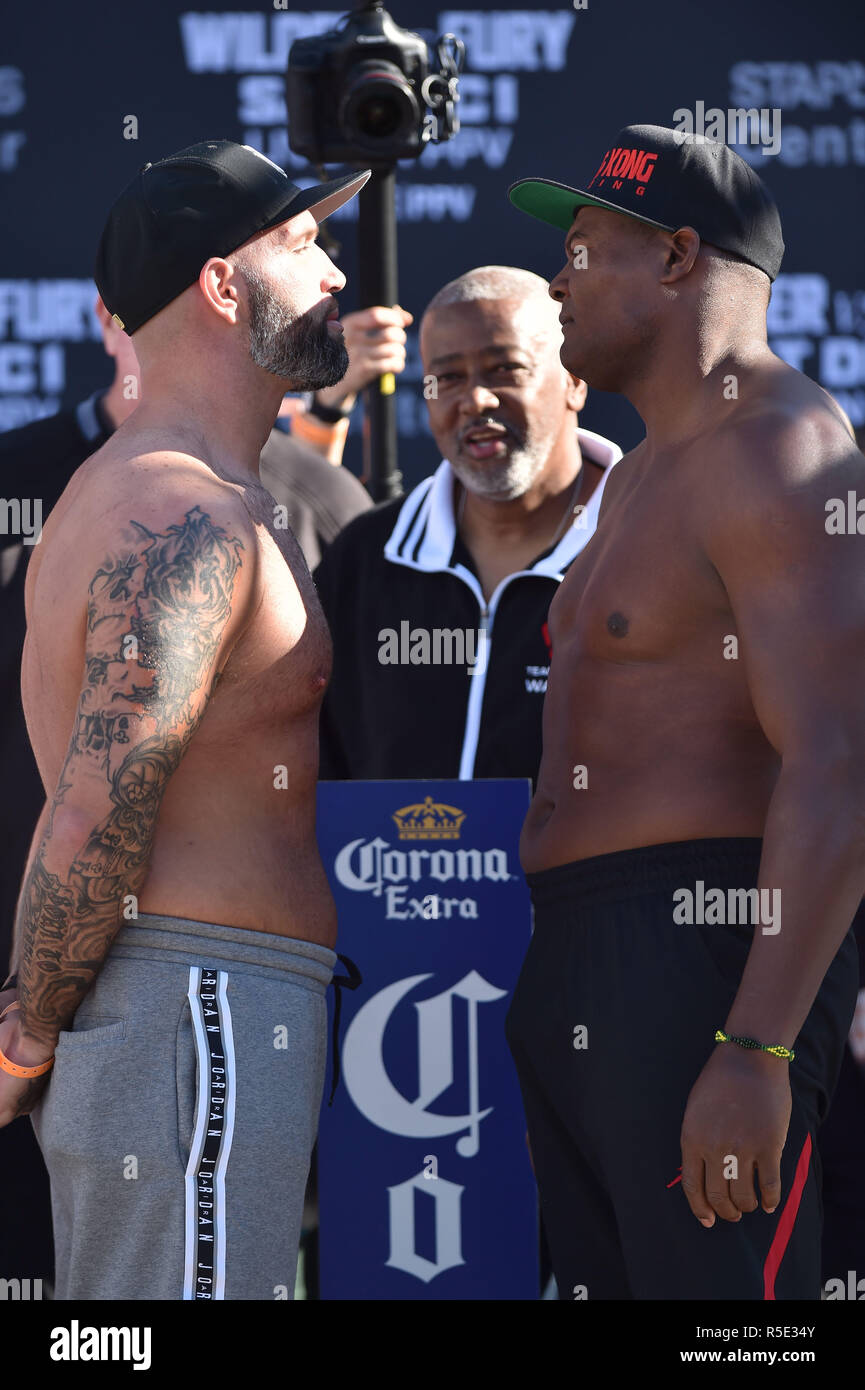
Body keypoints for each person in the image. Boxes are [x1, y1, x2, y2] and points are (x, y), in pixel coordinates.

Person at [0, 138, 369, 1301]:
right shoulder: (179, 510)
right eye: (302, 243)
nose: (336, 274)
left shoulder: (185, 488)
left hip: (196, 1015)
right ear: (222, 285)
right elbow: (97, 807)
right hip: (194, 1011)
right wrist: (22, 1037)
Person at [503, 124, 865, 1301]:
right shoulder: (643, 473)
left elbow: (840, 757)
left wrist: (756, 1043)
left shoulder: (780, 447)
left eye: (583, 248)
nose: (558, 280)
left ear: (673, 259)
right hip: (586, 950)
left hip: (705, 953)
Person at [315, 265, 621, 783]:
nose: (475, 400)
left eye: (505, 369)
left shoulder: (651, 545)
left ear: (574, 382)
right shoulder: (364, 561)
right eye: (450, 377)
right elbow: (316, 768)